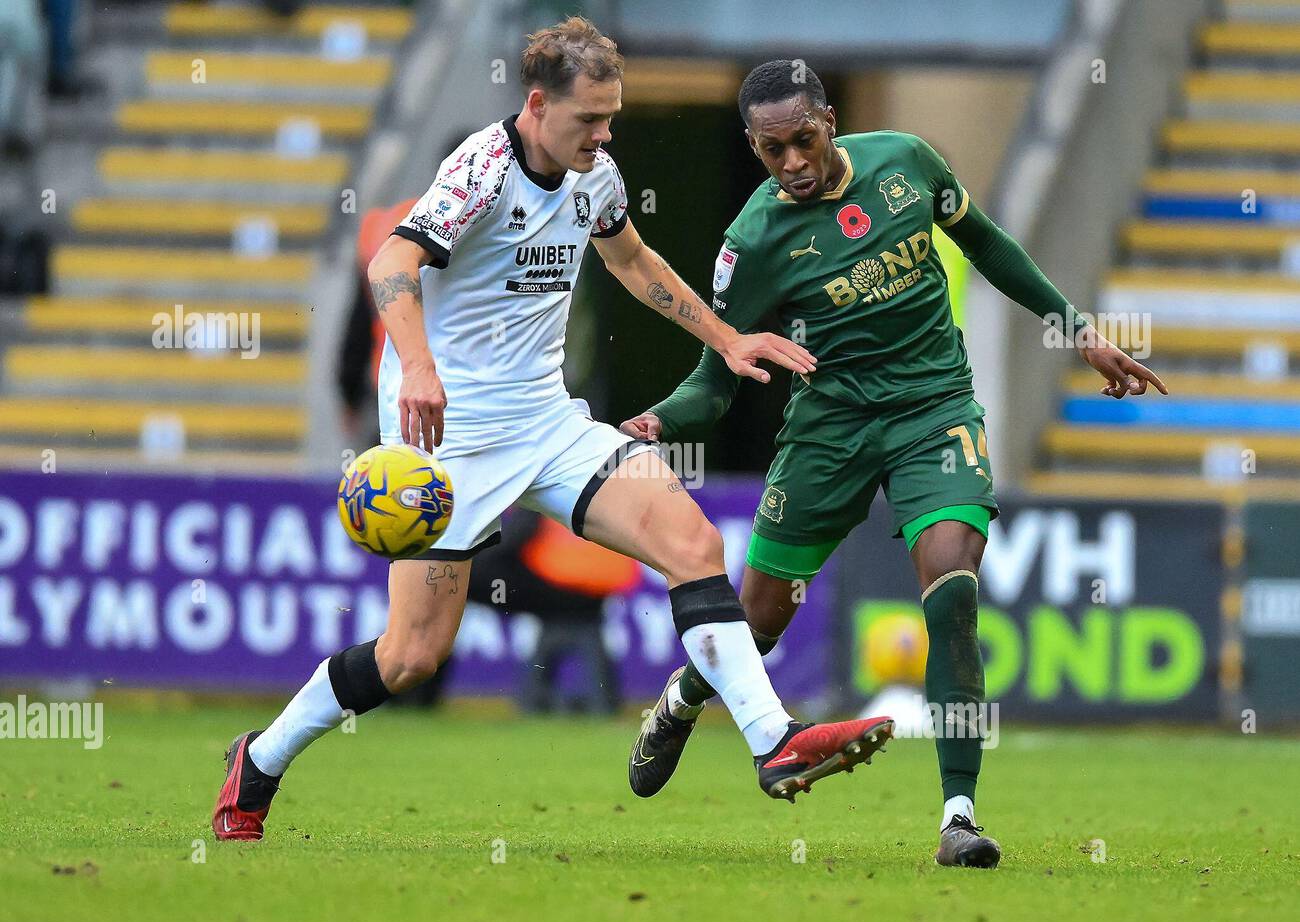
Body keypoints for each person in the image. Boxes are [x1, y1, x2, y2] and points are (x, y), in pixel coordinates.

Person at [212, 20, 893, 842]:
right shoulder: (481, 170)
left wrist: (728, 337)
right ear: (538, 104)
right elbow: (390, 264)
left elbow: (635, 264)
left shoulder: (594, 175)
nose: (605, 136)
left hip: (546, 421)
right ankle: (260, 760)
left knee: (695, 546)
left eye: (611, 118)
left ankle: (773, 743)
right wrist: (420, 368)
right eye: (590, 119)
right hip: (449, 444)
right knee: (409, 658)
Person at [621, 60, 1168, 868]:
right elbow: (716, 381)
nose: (793, 163)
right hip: (829, 432)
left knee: (951, 591)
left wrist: (1077, 329)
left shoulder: (907, 162)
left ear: (830, 121)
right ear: (754, 146)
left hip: (933, 413)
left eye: (804, 140)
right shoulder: (753, 241)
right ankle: (682, 697)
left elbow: (985, 242)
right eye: (773, 151)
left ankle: (959, 816)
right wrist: (654, 423)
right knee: (758, 622)